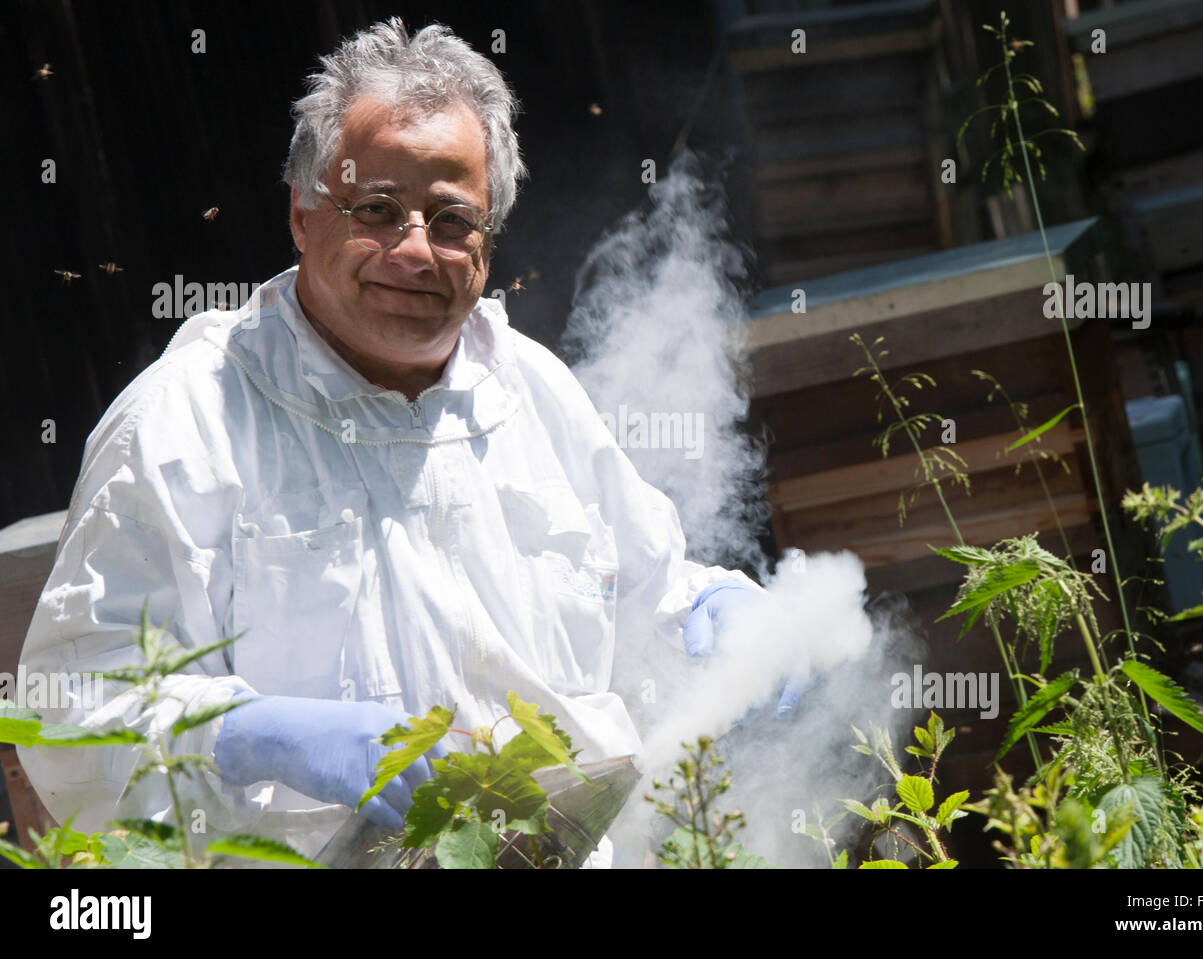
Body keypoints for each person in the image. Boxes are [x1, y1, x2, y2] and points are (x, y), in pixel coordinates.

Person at [16, 18, 785, 865]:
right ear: (304, 215)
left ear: (489, 245)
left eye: (453, 220)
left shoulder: (533, 392)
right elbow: (73, 707)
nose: (416, 250)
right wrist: (248, 730)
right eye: (377, 209)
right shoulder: (183, 420)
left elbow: (648, 601)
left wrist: (721, 618)